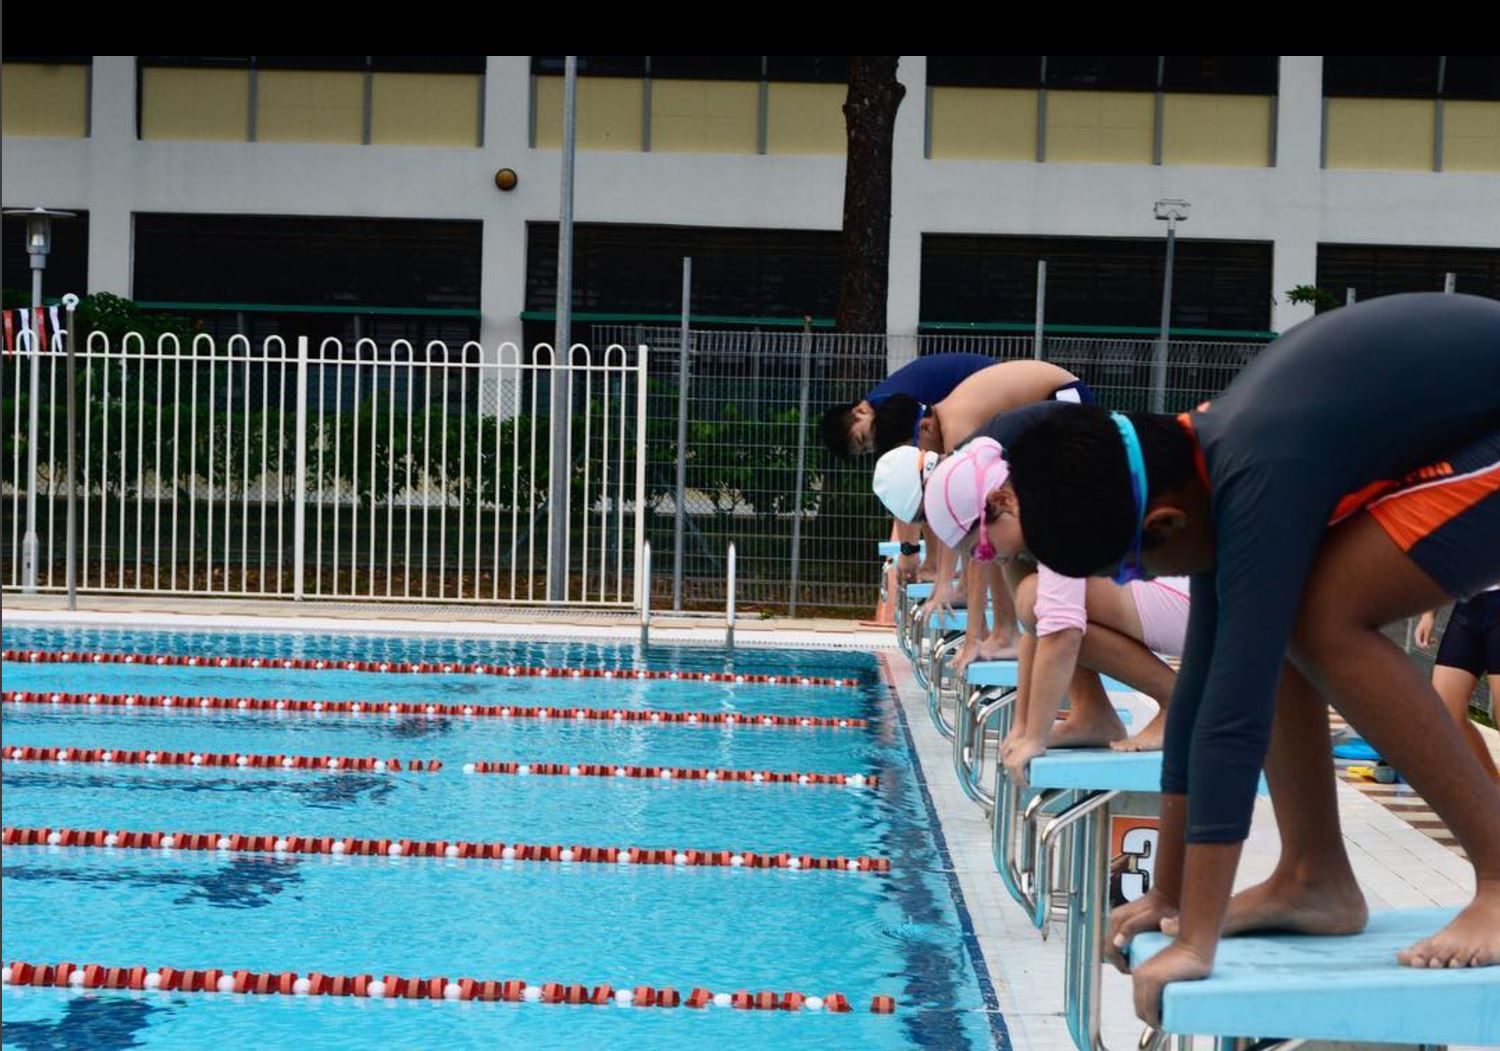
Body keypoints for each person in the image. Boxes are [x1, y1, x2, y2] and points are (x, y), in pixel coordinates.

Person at [999, 293, 1500, 1024]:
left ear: (1162, 523)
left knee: (1324, 617)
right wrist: (1169, 894)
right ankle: (1313, 875)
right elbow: (1199, 691)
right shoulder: (1206, 464)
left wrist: (1197, 939)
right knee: (1296, 610)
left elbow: (1235, 714)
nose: (1142, 586)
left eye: (1133, 570)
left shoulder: (1258, 467)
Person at [1415, 584, 1500, 783]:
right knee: (1445, 713)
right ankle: (1494, 791)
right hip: (1468, 605)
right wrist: (1428, 614)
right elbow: (1443, 556)